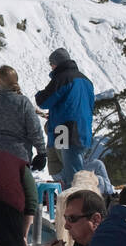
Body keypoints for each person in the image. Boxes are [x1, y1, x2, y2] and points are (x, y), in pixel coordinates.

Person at [34, 48, 94, 187]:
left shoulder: (62, 78)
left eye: (51, 64)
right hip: (83, 129)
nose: (51, 67)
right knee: (73, 169)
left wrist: (38, 94)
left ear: (56, 63)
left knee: (71, 174)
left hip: (65, 131)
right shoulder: (86, 80)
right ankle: (71, 200)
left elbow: (43, 101)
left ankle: (75, 203)